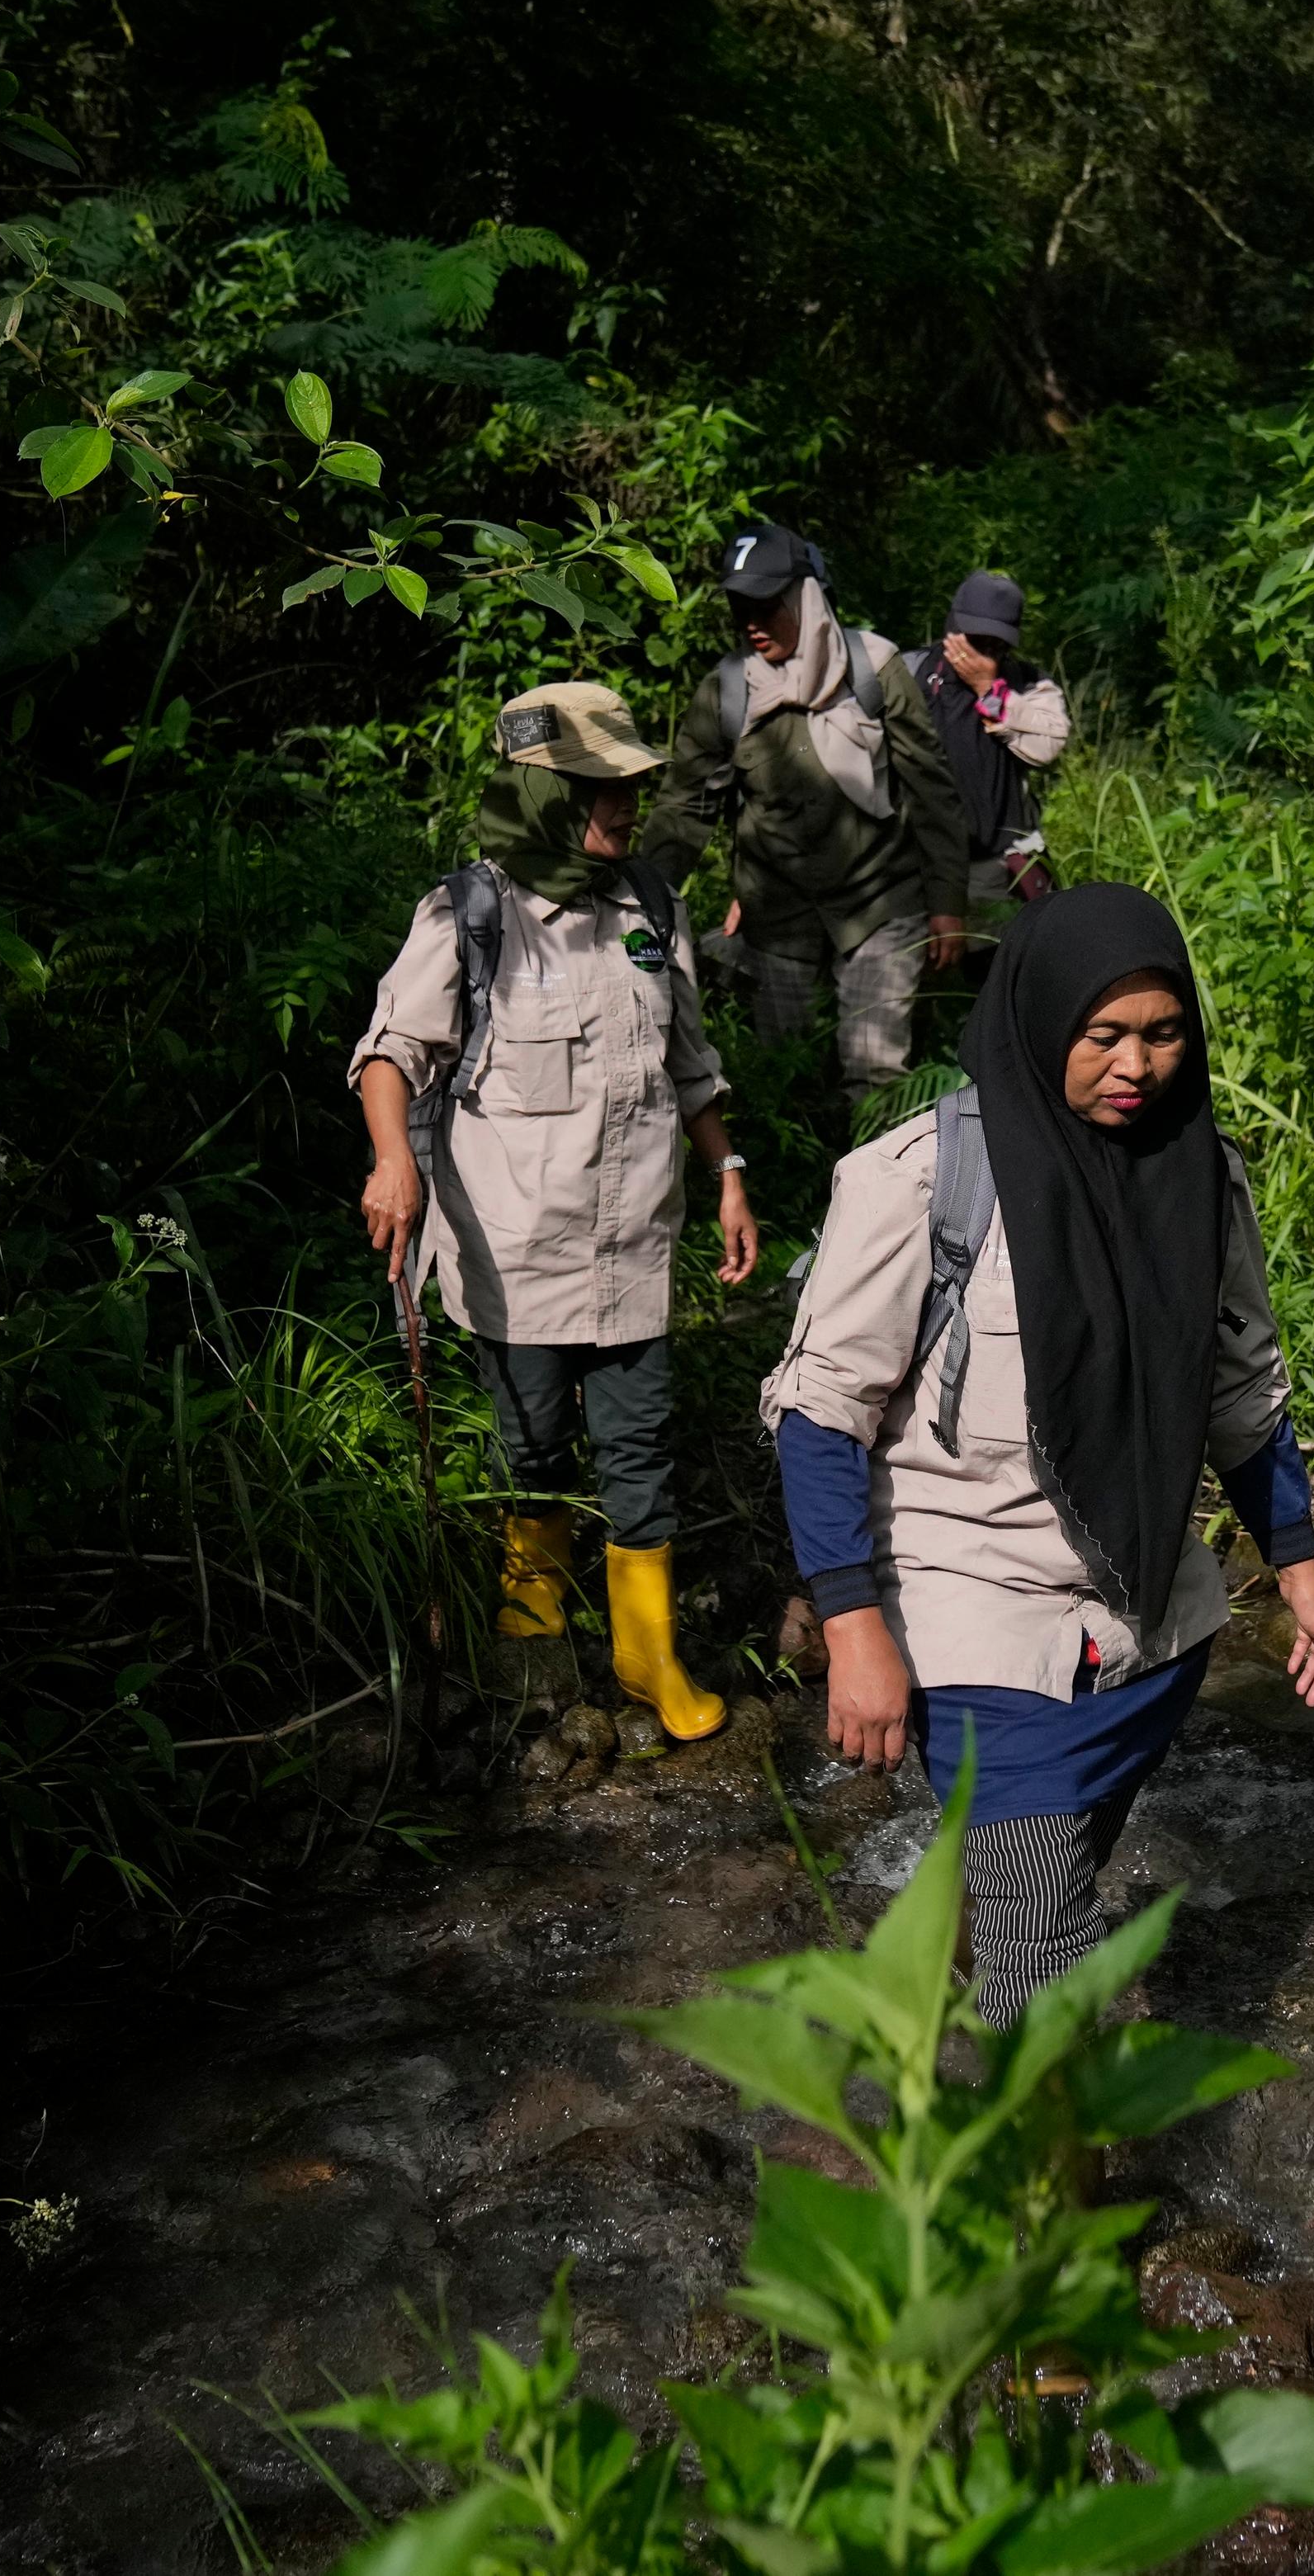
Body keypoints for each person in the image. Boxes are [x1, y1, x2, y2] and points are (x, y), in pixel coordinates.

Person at [760, 884, 1314, 2017]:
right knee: (1044, 1968)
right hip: (973, 1613)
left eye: (1164, 1034)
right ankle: (1034, 2119)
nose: (1137, 1066)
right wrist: (852, 1625)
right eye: (1105, 1036)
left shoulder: (1203, 1175)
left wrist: (1298, 1565)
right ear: (1041, 1023)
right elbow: (822, 1408)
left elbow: (1241, 1386)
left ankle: (949, 2001)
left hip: (1147, 1627)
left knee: (1042, 1895)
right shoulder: (921, 1180)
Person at [352, 680, 763, 1744]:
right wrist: (392, 1163)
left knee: (639, 1444)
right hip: (517, 1252)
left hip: (632, 1247)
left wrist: (726, 1173)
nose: (627, 806)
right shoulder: (469, 917)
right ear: (543, 796)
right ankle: (531, 1620)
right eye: (600, 788)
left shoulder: (651, 909)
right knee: (529, 1446)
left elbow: (687, 1065)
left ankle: (644, 1654)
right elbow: (390, 1053)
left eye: (630, 787)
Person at [645, 520, 968, 1099]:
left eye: (768, 606)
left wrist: (947, 903)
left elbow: (931, 790)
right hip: (778, 912)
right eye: (741, 607)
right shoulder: (728, 691)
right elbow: (685, 808)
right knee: (782, 1073)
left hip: (880, 901)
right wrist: (647, 904)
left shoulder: (873, 669)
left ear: (806, 598)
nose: (752, 622)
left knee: (875, 1071)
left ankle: (883, 1157)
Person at [907, 568, 1071, 914]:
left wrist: (990, 692)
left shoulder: (1025, 682)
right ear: (954, 628)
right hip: (916, 867)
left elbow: (1051, 744)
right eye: (977, 639)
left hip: (997, 869)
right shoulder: (910, 674)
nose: (987, 651)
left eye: (998, 643)